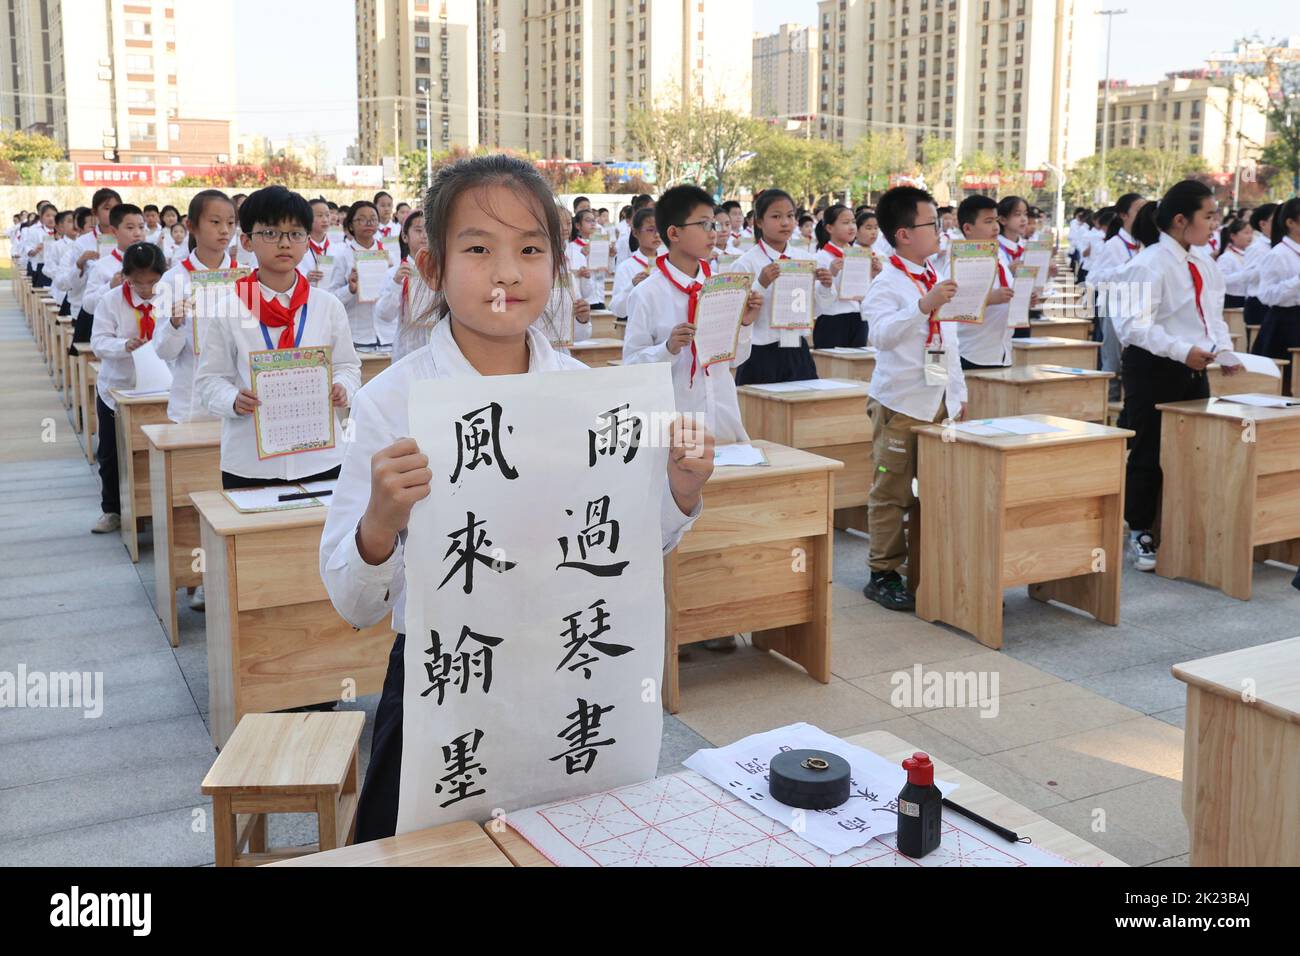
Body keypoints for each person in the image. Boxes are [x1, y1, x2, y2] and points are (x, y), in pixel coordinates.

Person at [317, 154, 712, 841]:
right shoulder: (394, 402)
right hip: (445, 678)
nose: (507, 273)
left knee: (571, 843)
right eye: (478, 249)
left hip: (567, 666)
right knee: (427, 852)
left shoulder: (588, 397)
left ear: (557, 264)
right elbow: (354, 602)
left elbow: (624, 545)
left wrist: (678, 490)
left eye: (531, 249)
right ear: (432, 267)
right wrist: (380, 523)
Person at [194, 185, 360, 489]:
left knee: (323, 535)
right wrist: (233, 399)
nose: (285, 243)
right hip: (251, 461)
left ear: (306, 240)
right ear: (247, 241)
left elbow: (349, 366)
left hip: (321, 457)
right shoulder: (229, 308)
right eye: (271, 233)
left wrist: (342, 386)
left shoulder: (326, 306)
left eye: (295, 234)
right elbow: (208, 380)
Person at [1116, 180, 1236, 571]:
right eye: (1209, 216)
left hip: (1194, 364)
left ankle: (1185, 525)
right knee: (1151, 448)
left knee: (1194, 447)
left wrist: (1226, 350)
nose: (1215, 223)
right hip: (1155, 367)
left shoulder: (1204, 261)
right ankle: (1140, 530)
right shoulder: (1147, 263)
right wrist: (1182, 350)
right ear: (1181, 220)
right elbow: (1132, 327)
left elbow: (1211, 316)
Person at [860, 186, 967, 611]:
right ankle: (882, 572)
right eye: (931, 224)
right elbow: (881, 336)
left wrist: (957, 396)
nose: (940, 232)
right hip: (901, 401)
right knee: (892, 489)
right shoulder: (888, 282)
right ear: (904, 233)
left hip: (937, 397)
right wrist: (922, 306)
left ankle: (927, 563)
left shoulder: (934, 276)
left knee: (937, 487)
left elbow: (950, 341)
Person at [89, 243, 170, 534]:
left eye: (153, 281)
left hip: (162, 388)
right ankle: (112, 509)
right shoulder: (111, 301)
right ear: (126, 277)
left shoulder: (171, 298)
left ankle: (154, 507)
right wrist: (124, 345)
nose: (146, 289)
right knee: (111, 452)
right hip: (119, 390)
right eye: (139, 282)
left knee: (154, 452)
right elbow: (98, 341)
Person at [728, 189, 835, 384]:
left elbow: (816, 310)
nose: (785, 222)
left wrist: (826, 286)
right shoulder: (746, 263)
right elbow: (736, 317)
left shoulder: (805, 259)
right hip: (760, 354)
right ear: (759, 221)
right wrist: (760, 284)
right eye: (776, 216)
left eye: (790, 216)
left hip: (797, 350)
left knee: (803, 411)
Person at [951, 195, 1019, 369]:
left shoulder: (999, 256)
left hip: (1001, 352)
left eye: (996, 220)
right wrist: (990, 298)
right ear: (967, 228)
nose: (996, 227)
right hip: (972, 353)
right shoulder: (959, 260)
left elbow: (1007, 293)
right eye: (988, 222)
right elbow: (952, 305)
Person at [812, 203, 871, 348]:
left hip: (858, 318)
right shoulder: (821, 258)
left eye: (853, 222)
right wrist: (831, 274)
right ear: (830, 228)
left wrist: (873, 274)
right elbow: (816, 297)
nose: (851, 227)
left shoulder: (860, 254)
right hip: (832, 319)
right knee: (831, 368)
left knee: (857, 367)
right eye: (845, 223)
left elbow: (866, 291)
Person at [1252, 197, 1300, 361]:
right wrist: (1297, 281)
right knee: (1286, 380)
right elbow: (1266, 295)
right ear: (1291, 223)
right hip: (1286, 323)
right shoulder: (1278, 254)